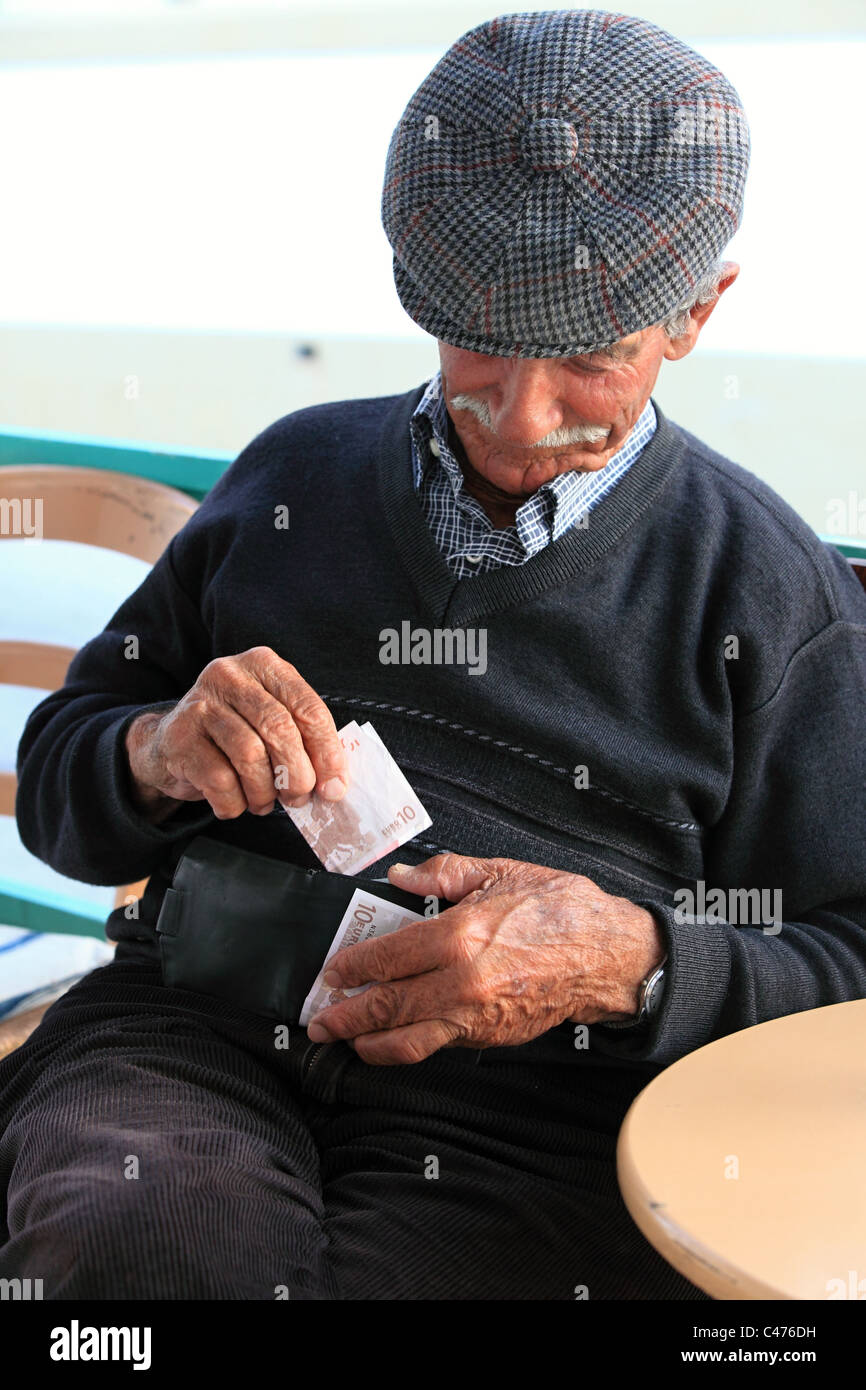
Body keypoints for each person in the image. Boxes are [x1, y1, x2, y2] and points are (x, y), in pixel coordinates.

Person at [2, 9, 865, 1301]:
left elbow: (844, 952)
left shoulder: (774, 592)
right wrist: (149, 745)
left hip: (543, 1109)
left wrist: (632, 955)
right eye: (477, 344)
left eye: (587, 360)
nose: (518, 422)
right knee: (128, 1269)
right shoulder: (292, 474)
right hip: (198, 1032)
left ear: (695, 312)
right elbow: (70, 791)